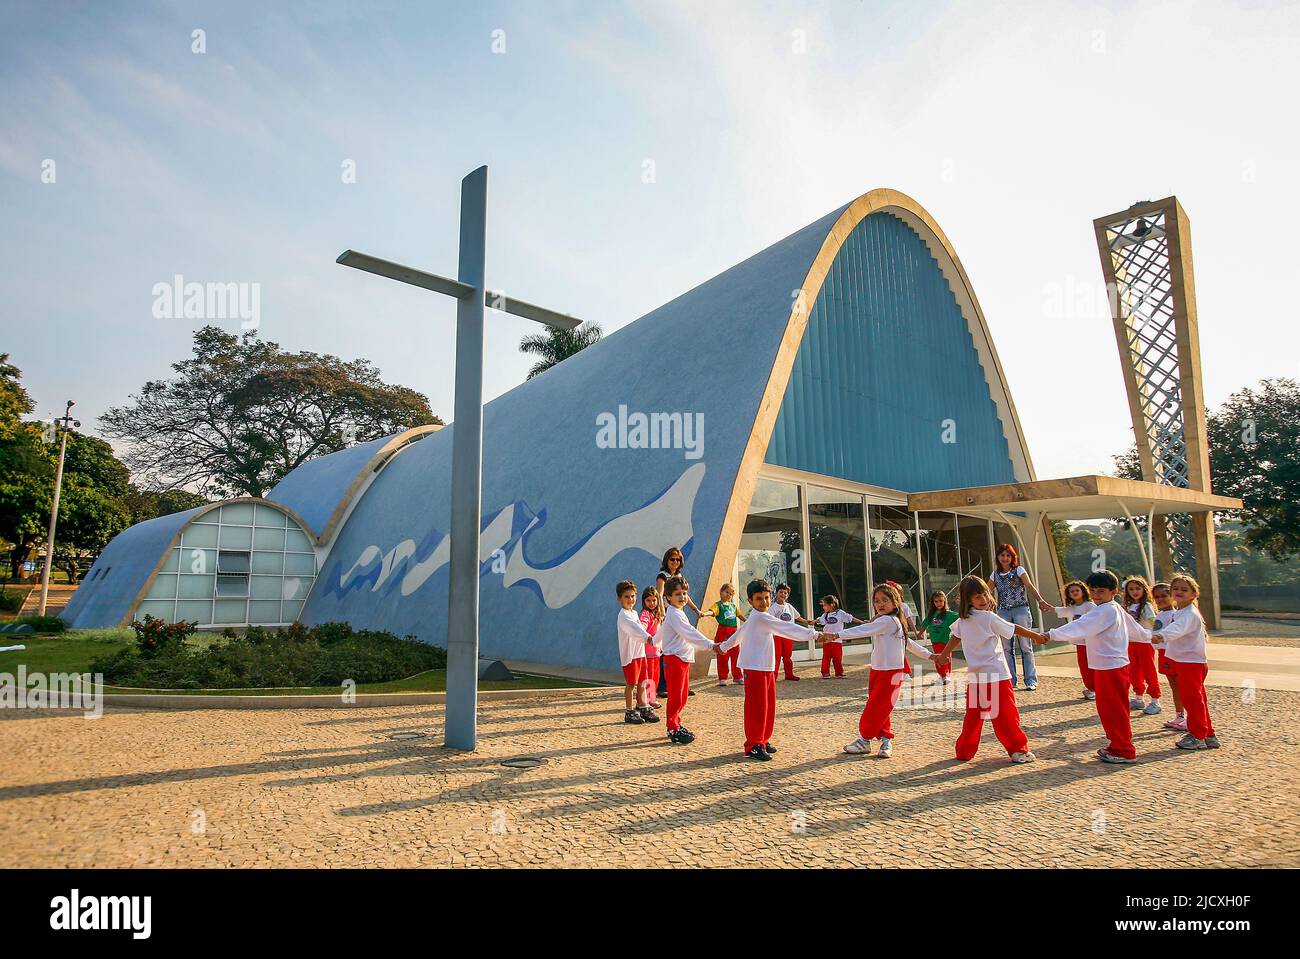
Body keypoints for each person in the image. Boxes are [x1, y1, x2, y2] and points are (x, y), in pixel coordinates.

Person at [1044, 570, 1149, 764]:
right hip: (1107, 666)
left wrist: (1050, 635)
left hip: (1111, 667)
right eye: (1093, 590)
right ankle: (1117, 744)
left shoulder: (1105, 610)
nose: (1095, 595)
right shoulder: (1114, 607)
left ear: (1113, 591)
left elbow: (1081, 626)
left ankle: (1124, 749)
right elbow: (1136, 630)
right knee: (1107, 708)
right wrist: (1150, 637)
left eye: (1101, 591)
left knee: (1114, 710)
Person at [933, 576, 1040, 763]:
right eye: (977, 597)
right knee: (1006, 716)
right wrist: (1035, 635)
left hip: (976, 679)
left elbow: (955, 637)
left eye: (984, 594)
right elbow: (1013, 628)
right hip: (997, 675)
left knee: (973, 718)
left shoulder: (963, 620)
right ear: (968, 600)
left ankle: (964, 752)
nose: (983, 599)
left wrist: (943, 655)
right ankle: (1018, 750)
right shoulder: (989, 617)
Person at [715, 579, 819, 761]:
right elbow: (787, 628)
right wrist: (816, 635)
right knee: (757, 707)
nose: (764, 602)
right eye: (758, 599)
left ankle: (763, 739)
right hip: (755, 668)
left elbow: (738, 635)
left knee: (768, 705)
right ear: (750, 601)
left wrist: (723, 647)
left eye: (766, 598)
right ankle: (754, 744)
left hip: (766, 667)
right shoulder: (760, 617)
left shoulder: (757, 617)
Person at [837, 583, 934, 758]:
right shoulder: (892, 621)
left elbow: (863, 630)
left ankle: (864, 740)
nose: (880, 604)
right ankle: (885, 740)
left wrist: (837, 635)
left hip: (891, 673)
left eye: (884, 600)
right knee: (882, 708)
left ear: (895, 602)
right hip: (877, 671)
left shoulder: (888, 621)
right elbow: (909, 644)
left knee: (875, 708)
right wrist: (930, 656)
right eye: (876, 601)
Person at [1151, 574, 1220, 751]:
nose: (1179, 592)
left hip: (1190, 663)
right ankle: (1208, 734)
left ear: (1193, 594)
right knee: (1198, 700)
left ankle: (1198, 736)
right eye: (1176, 589)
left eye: (1184, 589)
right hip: (1187, 662)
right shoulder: (1182, 611)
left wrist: (1161, 635)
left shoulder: (1188, 613)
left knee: (1192, 701)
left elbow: (1176, 629)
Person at [656, 575, 719, 745]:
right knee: (676, 696)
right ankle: (672, 728)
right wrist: (710, 645)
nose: (682, 597)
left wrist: (653, 640)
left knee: (682, 696)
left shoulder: (677, 613)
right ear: (668, 597)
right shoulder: (675, 614)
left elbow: (662, 632)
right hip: (674, 660)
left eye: (684, 593)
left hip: (682, 659)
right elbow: (689, 632)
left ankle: (676, 722)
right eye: (677, 594)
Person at [988, 544, 1052, 690]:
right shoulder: (994, 574)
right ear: (998, 557)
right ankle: (1011, 680)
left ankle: (1030, 680)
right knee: (1006, 648)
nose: (1005, 558)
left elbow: (1029, 586)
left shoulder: (1019, 570)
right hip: (1003, 611)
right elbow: (987, 591)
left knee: (1025, 645)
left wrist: (1040, 601)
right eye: (1002, 555)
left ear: (1012, 557)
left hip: (1021, 609)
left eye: (1008, 555)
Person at [655, 547, 700, 699]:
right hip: (667, 614)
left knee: (683, 648)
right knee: (665, 650)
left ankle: (683, 685)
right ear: (667, 560)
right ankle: (662, 686)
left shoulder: (679, 576)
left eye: (678, 559)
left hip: (677, 612)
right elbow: (659, 594)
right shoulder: (662, 576)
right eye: (672, 559)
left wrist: (695, 610)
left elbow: (686, 596)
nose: (675, 562)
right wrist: (661, 611)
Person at [615, 580, 659, 725]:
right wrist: (648, 638)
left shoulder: (633, 613)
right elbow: (636, 629)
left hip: (640, 654)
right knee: (631, 684)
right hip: (630, 656)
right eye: (627, 597)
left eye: (633, 596)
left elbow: (640, 628)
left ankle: (643, 706)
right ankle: (629, 711)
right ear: (619, 598)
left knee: (642, 681)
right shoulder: (624, 616)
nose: (630, 600)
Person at [1122, 576, 1162, 715]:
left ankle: (1155, 700)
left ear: (1144, 590)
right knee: (1133, 672)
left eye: (1138, 588)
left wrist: (1154, 635)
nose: (1135, 591)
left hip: (1145, 644)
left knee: (1149, 672)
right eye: (1131, 589)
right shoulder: (1126, 607)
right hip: (1131, 643)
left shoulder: (1147, 606)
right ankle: (1138, 698)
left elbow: (1152, 622)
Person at [1052, 580, 1097, 701]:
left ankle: (1095, 689)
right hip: (1080, 643)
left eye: (1077, 590)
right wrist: (1046, 607)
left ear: (1083, 591)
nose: (1075, 593)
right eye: (1072, 591)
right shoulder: (1072, 608)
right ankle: (1091, 688)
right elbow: (1059, 610)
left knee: (1093, 666)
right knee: (1084, 667)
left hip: (1091, 643)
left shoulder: (1090, 606)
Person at [1151, 582, 1187, 731]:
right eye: (1157, 597)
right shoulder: (1159, 614)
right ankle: (1179, 715)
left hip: (1172, 652)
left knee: (1181, 685)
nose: (1160, 599)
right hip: (1163, 653)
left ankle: (1186, 716)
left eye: (1164, 596)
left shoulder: (1175, 614)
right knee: (1174, 686)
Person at [700, 582, 747, 687]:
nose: (728, 595)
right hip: (722, 632)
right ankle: (722, 677)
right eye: (727, 592)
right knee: (722, 655)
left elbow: (741, 616)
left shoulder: (733, 606)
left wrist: (749, 622)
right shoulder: (718, 605)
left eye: (731, 594)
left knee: (736, 653)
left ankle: (738, 676)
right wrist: (704, 614)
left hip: (734, 632)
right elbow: (711, 612)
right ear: (721, 592)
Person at [815, 595, 862, 678]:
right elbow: (820, 620)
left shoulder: (840, 613)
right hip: (826, 639)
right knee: (826, 657)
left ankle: (839, 673)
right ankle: (825, 673)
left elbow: (850, 618)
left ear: (832, 604)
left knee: (837, 658)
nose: (823, 607)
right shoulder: (825, 615)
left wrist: (861, 622)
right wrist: (813, 621)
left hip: (837, 640)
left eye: (825, 605)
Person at [917, 590, 958, 684]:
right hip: (935, 641)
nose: (938, 603)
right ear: (933, 603)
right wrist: (919, 634)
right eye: (936, 601)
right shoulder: (931, 615)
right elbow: (925, 624)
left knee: (947, 657)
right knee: (937, 658)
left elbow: (961, 617)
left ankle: (947, 675)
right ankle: (942, 675)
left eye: (940, 601)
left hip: (945, 641)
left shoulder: (949, 614)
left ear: (944, 601)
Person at [768, 583, 807, 681]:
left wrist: (807, 621)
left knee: (787, 656)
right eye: (781, 592)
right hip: (777, 635)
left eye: (785, 593)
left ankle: (789, 674)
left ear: (787, 595)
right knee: (776, 657)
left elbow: (798, 617)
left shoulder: (789, 607)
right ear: (776, 593)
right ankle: (773, 676)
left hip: (789, 635)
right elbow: (770, 621)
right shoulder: (773, 608)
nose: (783, 594)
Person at [639, 587, 663, 710]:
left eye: (654, 600)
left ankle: (652, 698)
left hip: (656, 652)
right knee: (649, 677)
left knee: (656, 676)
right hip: (647, 652)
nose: (652, 603)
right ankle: (648, 700)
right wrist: (642, 630)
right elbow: (642, 625)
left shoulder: (657, 614)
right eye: (649, 600)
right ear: (644, 601)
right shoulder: (645, 614)